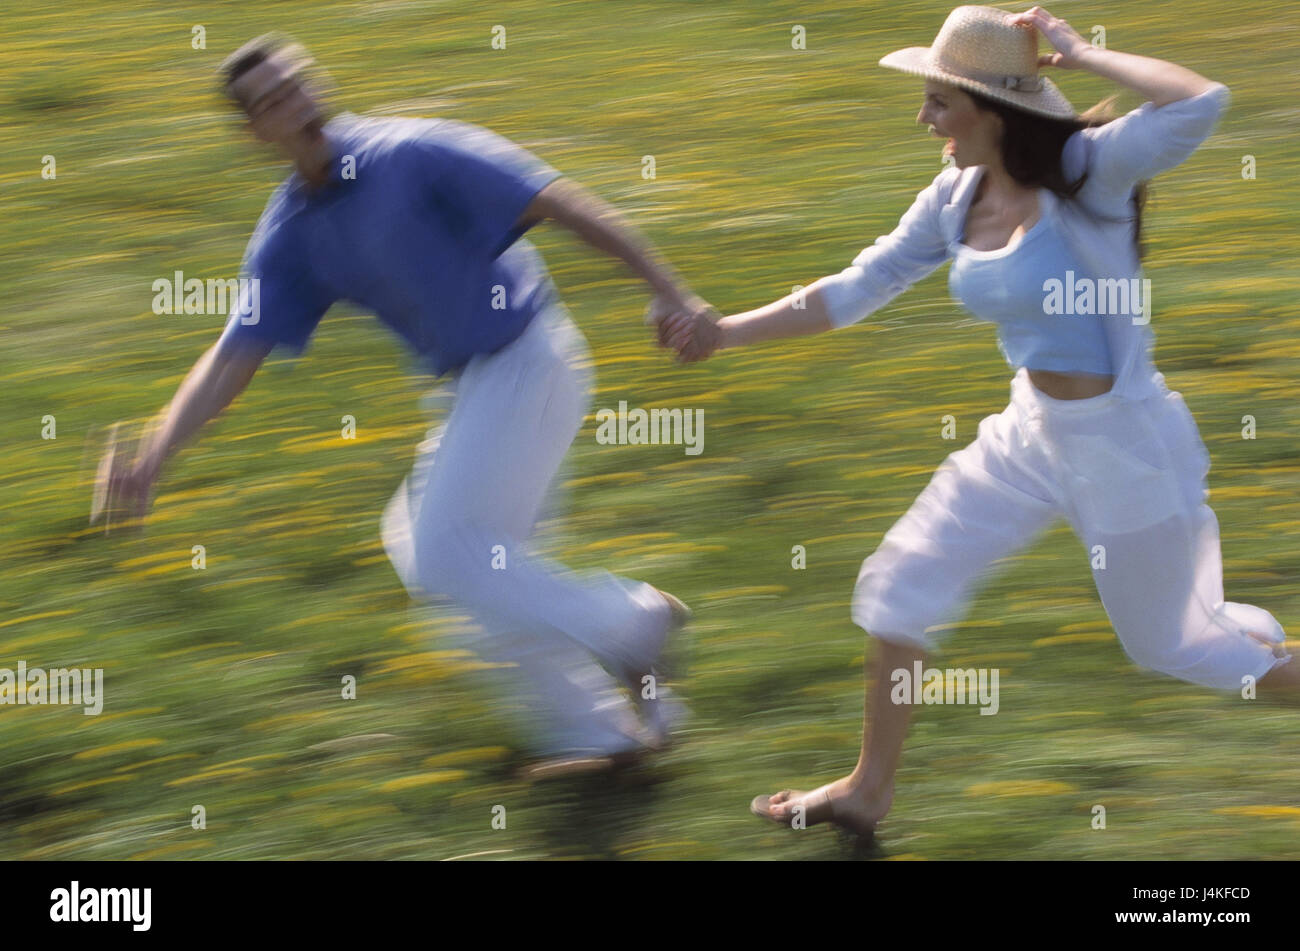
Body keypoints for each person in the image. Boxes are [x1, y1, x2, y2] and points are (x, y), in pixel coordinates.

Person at [657, 5, 1294, 840]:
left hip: (1124, 447)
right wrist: (724, 330)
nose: (921, 118)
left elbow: (1201, 101)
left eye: (936, 101)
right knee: (898, 587)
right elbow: (856, 287)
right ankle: (866, 790)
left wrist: (1083, 52)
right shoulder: (956, 195)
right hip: (1029, 434)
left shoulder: (1087, 170)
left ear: (990, 108)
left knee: (1176, 647)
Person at [94, 34, 703, 776]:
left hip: (529, 364)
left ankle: (636, 623)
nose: (299, 102)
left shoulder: (410, 153)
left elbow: (561, 200)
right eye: (274, 101)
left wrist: (669, 290)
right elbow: (233, 355)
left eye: (299, 83)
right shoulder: (292, 232)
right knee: (443, 558)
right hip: (470, 388)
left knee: (450, 556)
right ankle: (603, 736)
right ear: (256, 133)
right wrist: (155, 453)